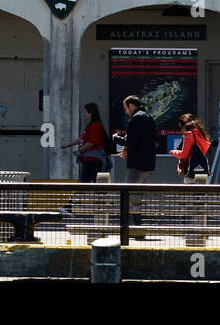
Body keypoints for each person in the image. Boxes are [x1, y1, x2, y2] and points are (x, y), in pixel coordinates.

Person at [114, 95, 156, 229]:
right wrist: (127, 148)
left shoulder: (136, 118)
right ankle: (137, 227)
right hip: (147, 164)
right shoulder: (148, 117)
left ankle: (132, 228)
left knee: (129, 195)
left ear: (131, 105)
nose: (126, 112)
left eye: (126, 108)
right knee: (136, 195)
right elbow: (139, 139)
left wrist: (116, 139)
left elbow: (131, 140)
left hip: (137, 164)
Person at [62, 103, 109, 183]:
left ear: (91, 113)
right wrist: (67, 145)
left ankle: (85, 194)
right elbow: (81, 139)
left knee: (86, 182)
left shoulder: (95, 126)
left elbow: (91, 142)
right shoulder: (90, 126)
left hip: (93, 160)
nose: (84, 114)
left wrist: (80, 150)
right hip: (89, 160)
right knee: (89, 182)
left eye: (86, 112)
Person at [170, 114, 211, 183]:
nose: (181, 130)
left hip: (191, 169)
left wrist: (173, 152)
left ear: (184, 125)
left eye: (181, 127)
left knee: (189, 192)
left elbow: (184, 154)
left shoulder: (189, 134)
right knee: (201, 192)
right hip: (202, 168)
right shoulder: (200, 133)